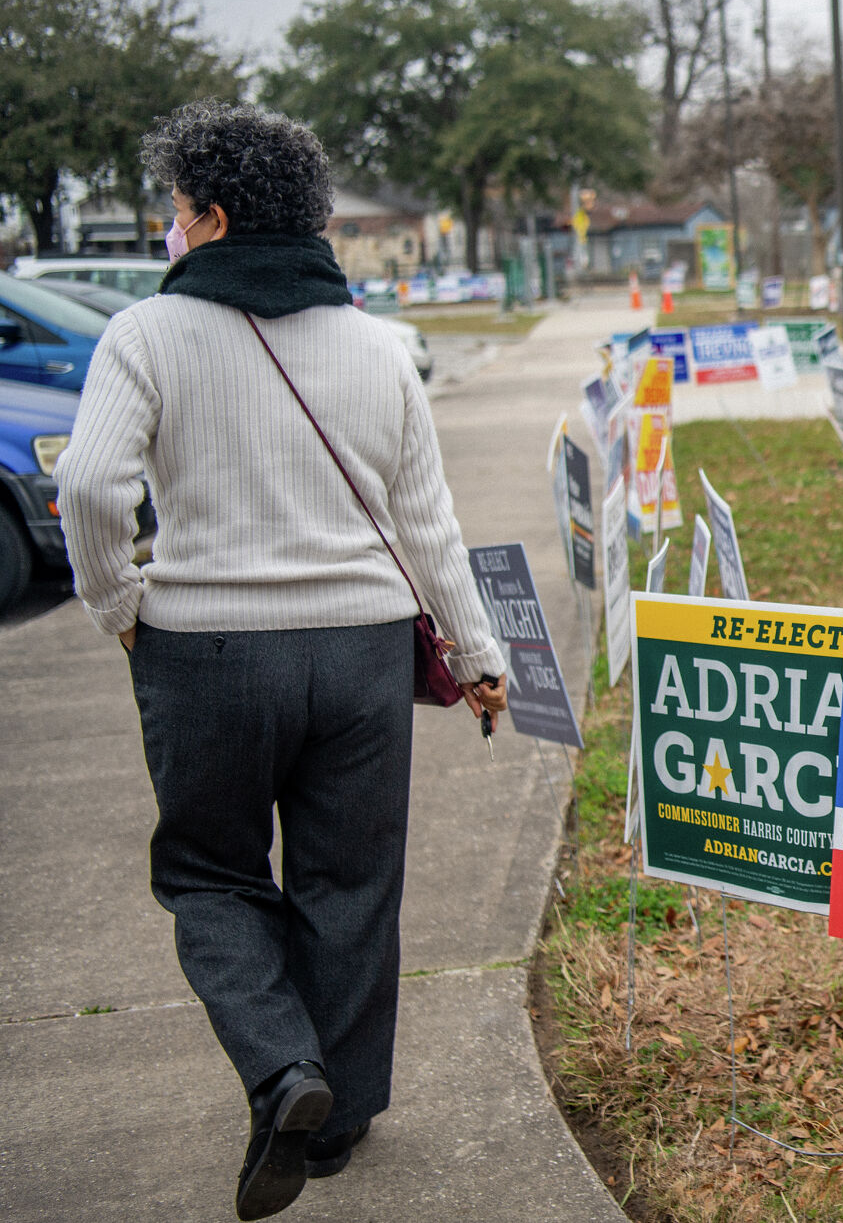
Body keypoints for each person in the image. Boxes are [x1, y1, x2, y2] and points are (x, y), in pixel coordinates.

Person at [56, 100, 509, 1220]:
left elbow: (88, 487)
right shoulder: (375, 346)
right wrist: (477, 650)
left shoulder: (146, 336)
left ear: (210, 216)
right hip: (359, 657)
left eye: (174, 209)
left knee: (211, 875)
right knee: (347, 882)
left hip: (206, 650)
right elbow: (427, 524)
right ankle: (338, 1117)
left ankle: (280, 1069)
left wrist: (118, 602)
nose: (170, 227)